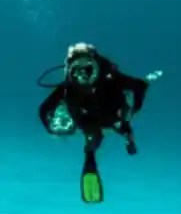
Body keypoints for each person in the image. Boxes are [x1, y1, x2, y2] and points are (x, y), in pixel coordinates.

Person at [38, 43, 150, 203]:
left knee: (120, 125)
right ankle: (91, 155)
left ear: (96, 65)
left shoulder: (110, 78)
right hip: (89, 120)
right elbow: (44, 109)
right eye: (77, 69)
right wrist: (52, 129)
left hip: (111, 115)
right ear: (70, 69)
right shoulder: (68, 88)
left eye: (87, 68)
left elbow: (139, 86)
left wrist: (134, 111)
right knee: (93, 136)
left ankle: (124, 136)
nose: (82, 75)